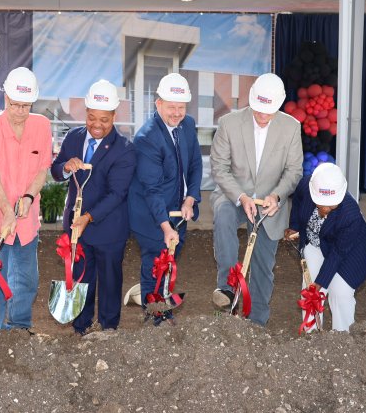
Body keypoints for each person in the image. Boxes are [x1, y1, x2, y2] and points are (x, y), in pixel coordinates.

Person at [209, 73, 303, 325]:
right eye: (258, 110)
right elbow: (219, 167)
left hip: (269, 204)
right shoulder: (229, 123)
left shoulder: (291, 127)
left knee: (263, 263)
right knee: (224, 215)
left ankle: (257, 322)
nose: (262, 116)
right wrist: (240, 196)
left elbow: (294, 171)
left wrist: (276, 195)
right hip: (234, 194)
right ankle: (226, 287)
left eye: (268, 112)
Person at [50, 80, 136, 335]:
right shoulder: (73, 138)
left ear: (114, 116)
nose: (97, 125)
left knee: (109, 280)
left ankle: (108, 328)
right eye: (91, 118)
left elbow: (117, 193)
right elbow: (56, 170)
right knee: (81, 277)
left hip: (108, 227)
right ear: (86, 112)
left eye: (104, 120)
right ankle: (81, 326)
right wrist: (66, 167)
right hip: (76, 227)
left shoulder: (124, 150)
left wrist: (88, 217)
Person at [0, 67, 52, 332]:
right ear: (6, 98)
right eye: (15, 105)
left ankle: (20, 327)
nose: (20, 111)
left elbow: (42, 169)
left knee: (27, 279)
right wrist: (7, 210)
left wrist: (29, 197)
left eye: (26, 106)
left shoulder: (42, 126)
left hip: (27, 221)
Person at [127, 73, 202, 325]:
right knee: (154, 264)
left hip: (179, 212)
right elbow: (152, 189)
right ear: (158, 103)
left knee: (170, 262)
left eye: (181, 107)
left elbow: (195, 164)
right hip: (151, 214)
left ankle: (162, 310)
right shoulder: (147, 138)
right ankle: (154, 320)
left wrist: (190, 199)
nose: (177, 113)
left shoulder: (188, 125)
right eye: (171, 107)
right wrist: (166, 226)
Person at [285, 162, 366, 332]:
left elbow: (337, 254)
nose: (325, 209)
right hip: (316, 241)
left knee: (340, 293)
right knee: (309, 289)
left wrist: (320, 284)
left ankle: (342, 338)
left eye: (331, 205)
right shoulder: (306, 185)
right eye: (320, 203)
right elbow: (298, 201)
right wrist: (294, 226)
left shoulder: (350, 214)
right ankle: (312, 335)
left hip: (348, 252)